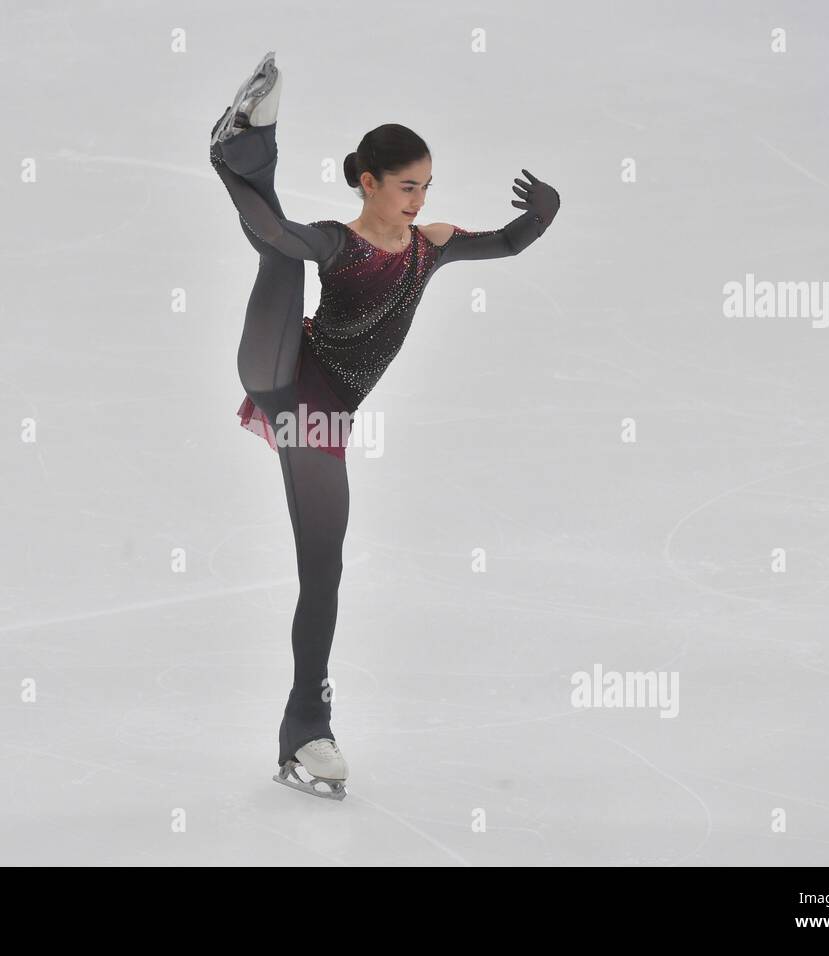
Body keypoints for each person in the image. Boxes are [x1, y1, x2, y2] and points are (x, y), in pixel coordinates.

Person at [210, 52, 561, 799]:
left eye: (426, 186)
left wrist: (539, 219)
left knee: (324, 564)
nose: (419, 198)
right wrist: (234, 182)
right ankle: (236, 151)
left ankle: (303, 726)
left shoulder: (429, 248)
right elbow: (274, 230)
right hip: (280, 371)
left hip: (324, 411)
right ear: (368, 183)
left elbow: (502, 243)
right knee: (280, 253)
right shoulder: (341, 242)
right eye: (407, 185)